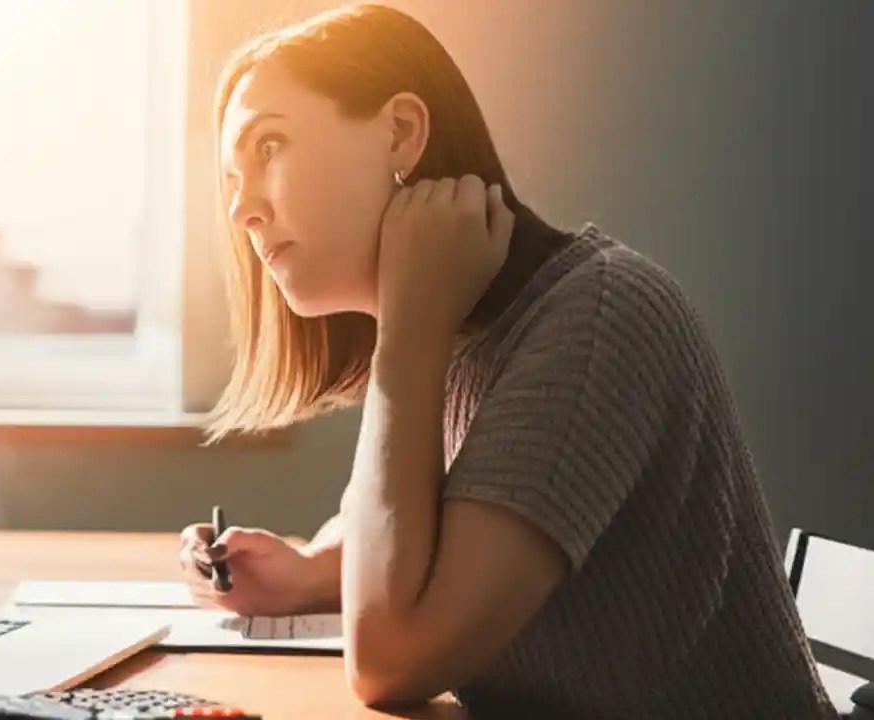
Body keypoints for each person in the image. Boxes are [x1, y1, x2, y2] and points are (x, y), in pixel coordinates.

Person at [175, 5, 838, 719]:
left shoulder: (595, 324)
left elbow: (392, 662)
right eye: (232, 177)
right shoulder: (475, 336)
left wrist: (408, 331)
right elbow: (461, 533)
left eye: (268, 146)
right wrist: (308, 572)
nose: (243, 210)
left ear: (399, 133)